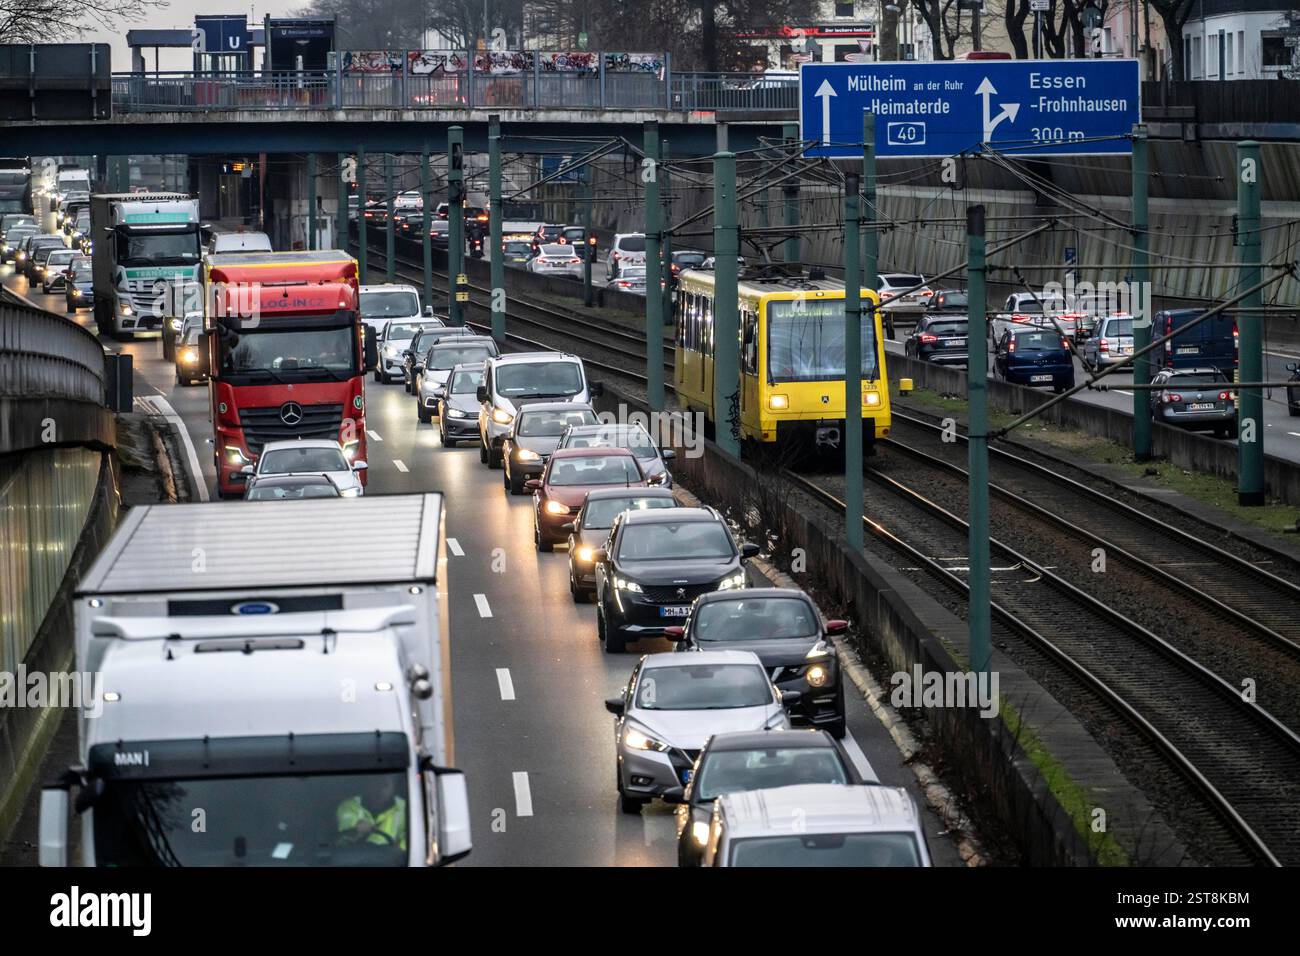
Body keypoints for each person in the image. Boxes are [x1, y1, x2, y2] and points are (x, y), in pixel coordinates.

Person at [336, 776, 407, 851]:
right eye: (377, 784)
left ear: (393, 787)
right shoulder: (349, 806)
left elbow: (412, 837)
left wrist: (399, 849)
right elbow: (345, 829)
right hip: (353, 857)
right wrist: (356, 827)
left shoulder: (404, 808)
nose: (380, 789)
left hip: (391, 860)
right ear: (368, 785)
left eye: (385, 785)